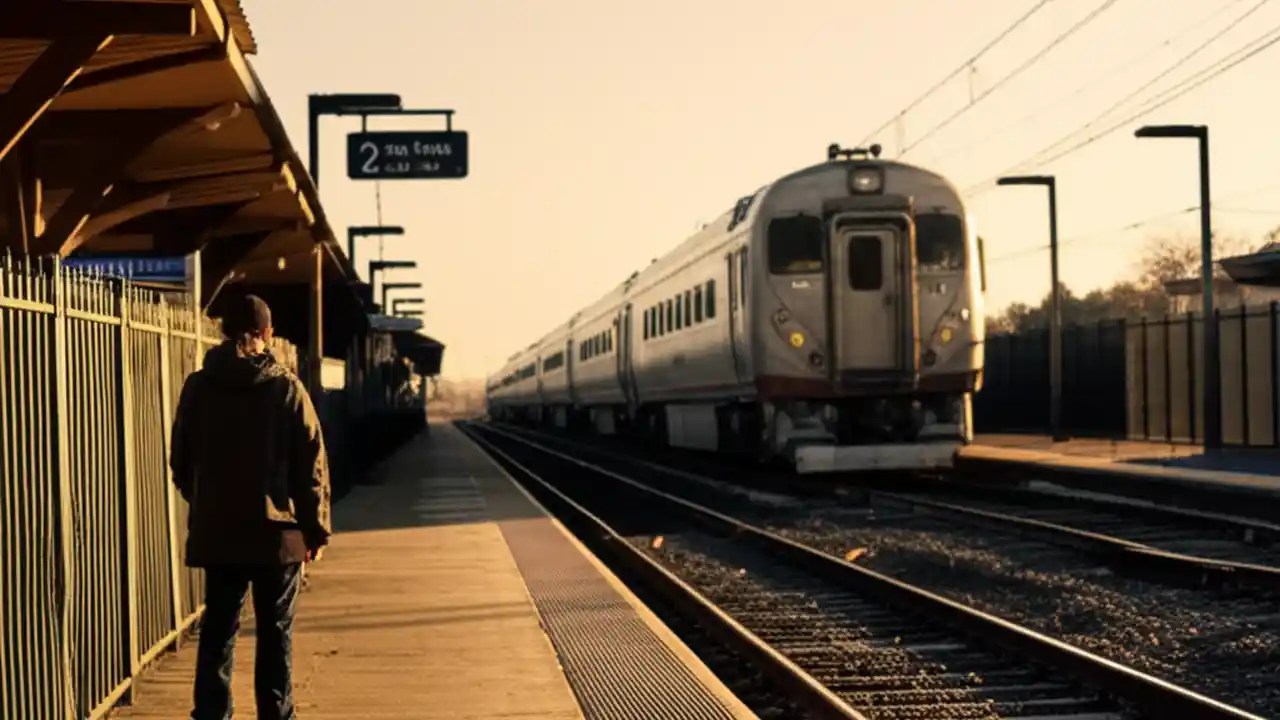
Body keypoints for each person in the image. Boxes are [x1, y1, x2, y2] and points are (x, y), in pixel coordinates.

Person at [170, 294, 331, 720]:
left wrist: (209, 502)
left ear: (223, 333)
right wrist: (315, 530)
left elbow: (181, 462)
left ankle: (211, 714)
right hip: (276, 538)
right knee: (275, 634)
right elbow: (311, 467)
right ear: (266, 334)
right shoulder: (286, 388)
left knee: (218, 631)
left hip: (220, 533)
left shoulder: (198, 387)